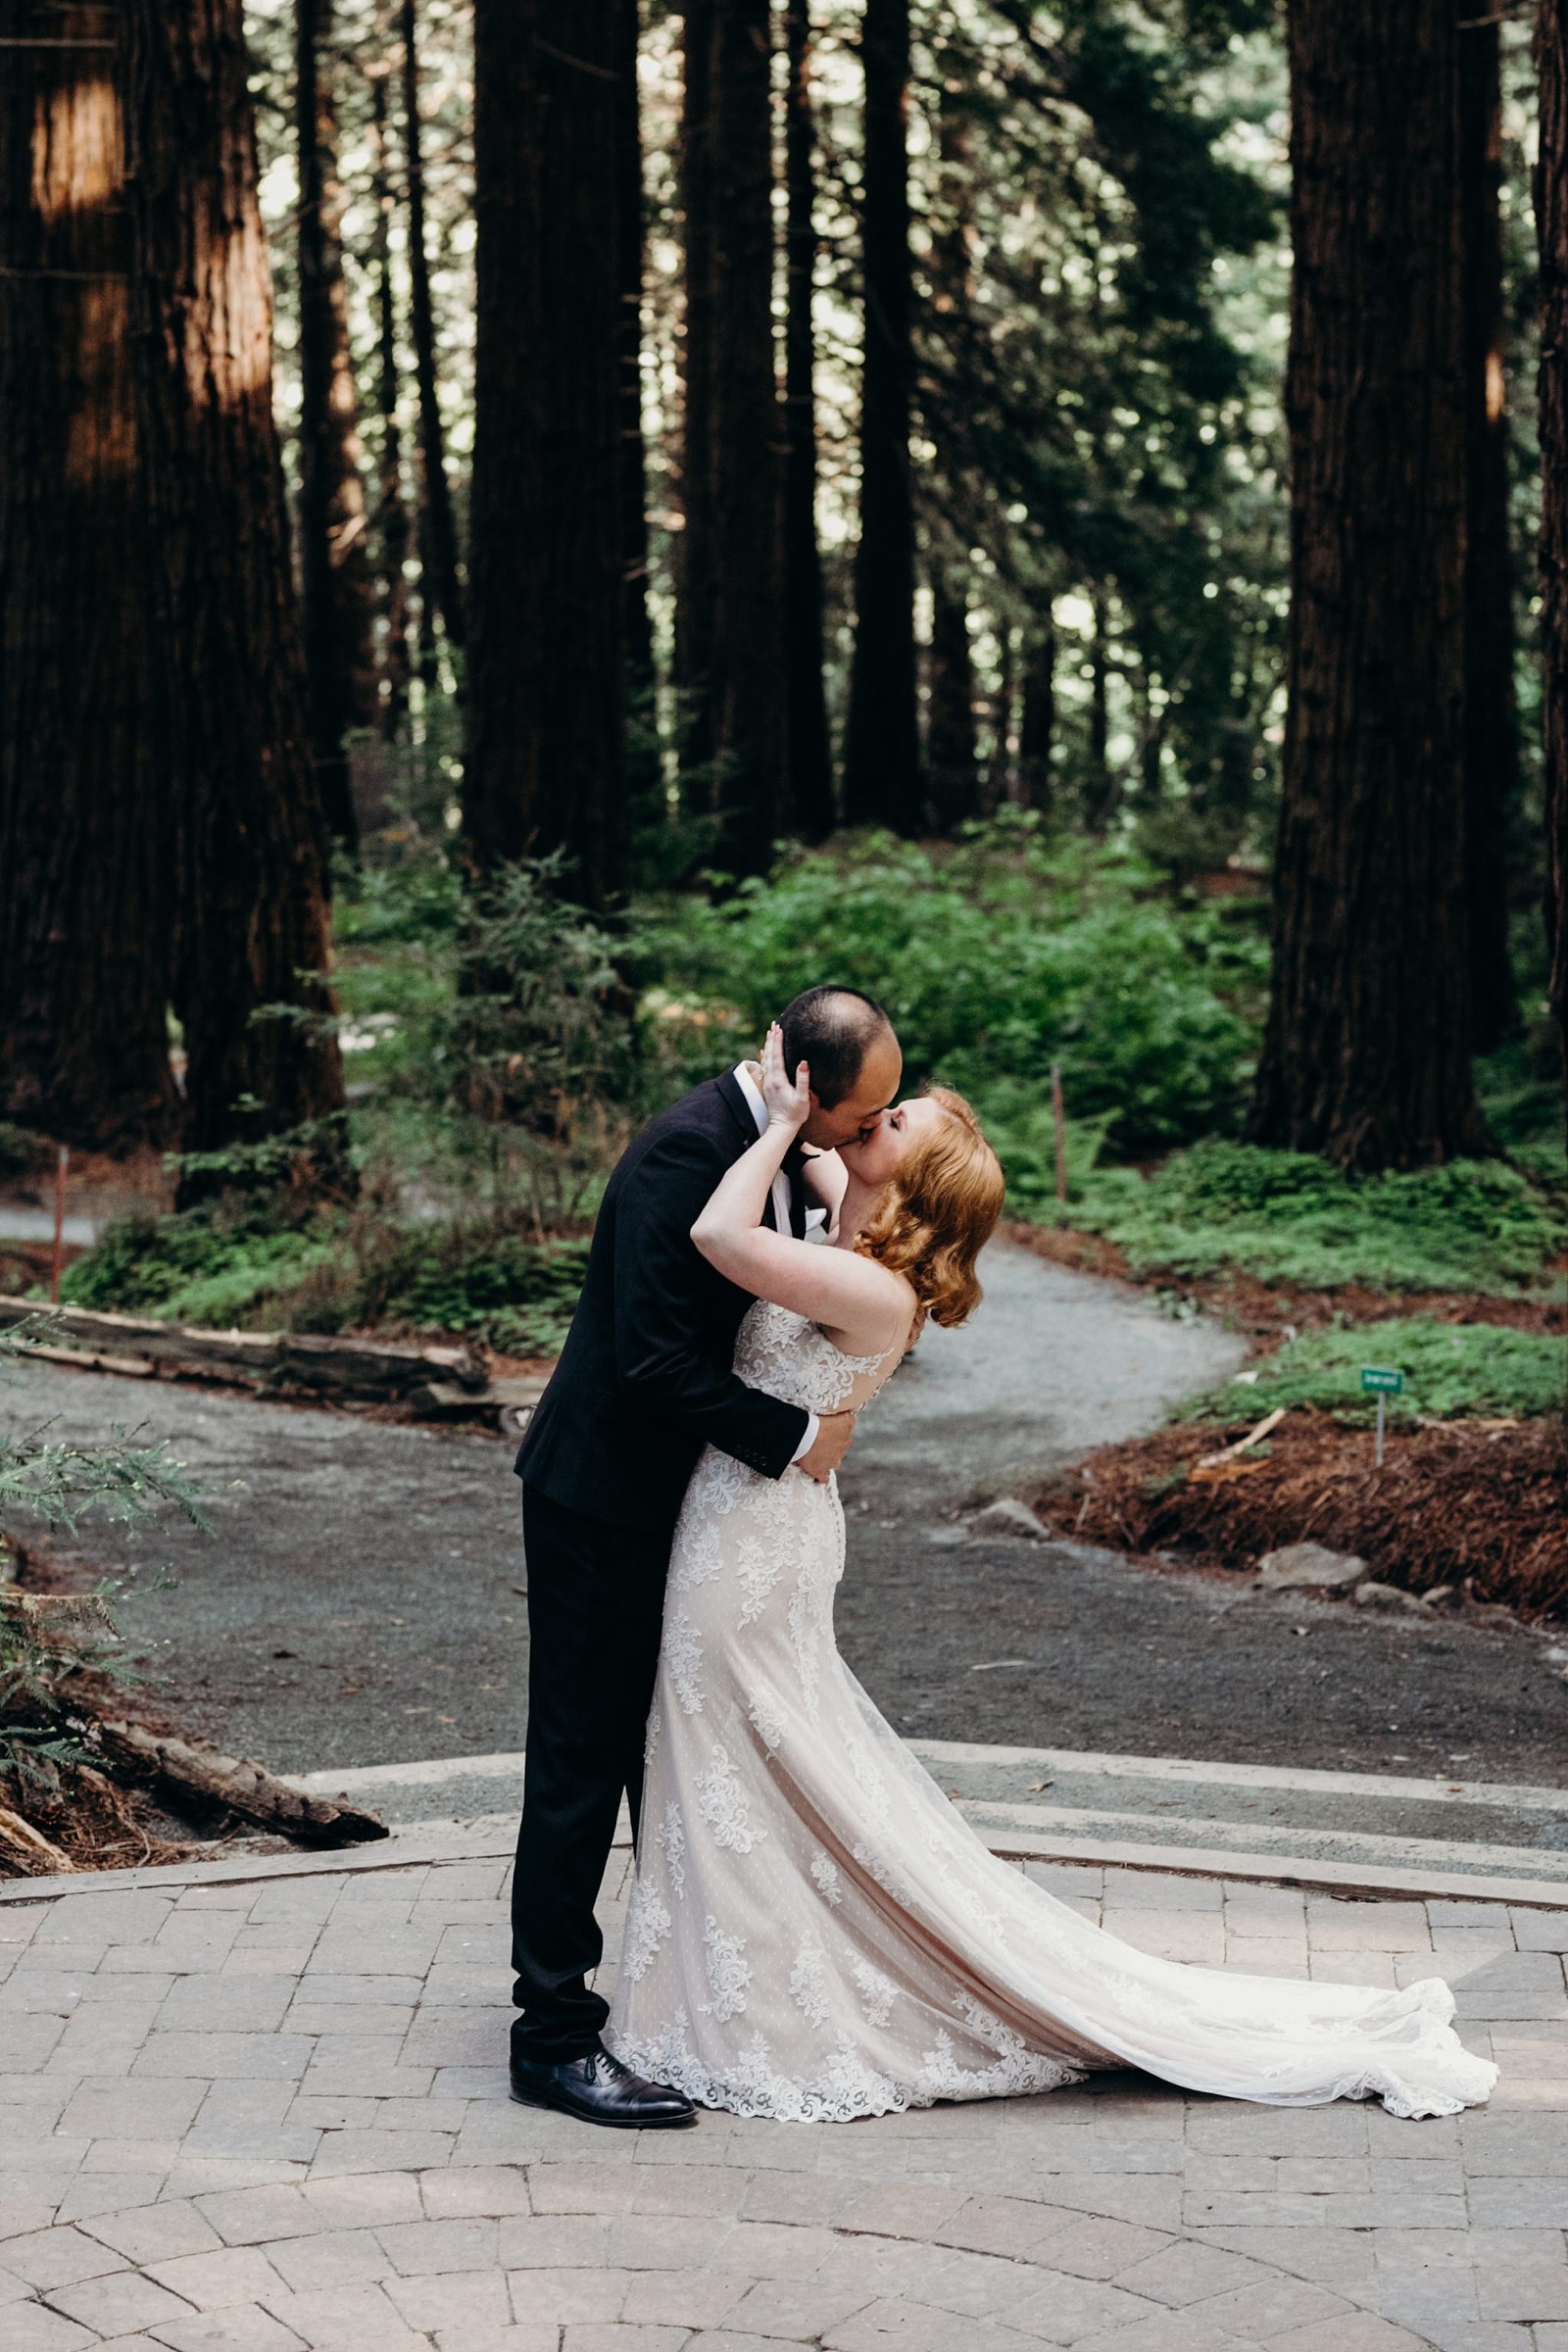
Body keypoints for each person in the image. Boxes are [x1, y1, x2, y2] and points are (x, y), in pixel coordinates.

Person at [605, 1027, 1496, 2125]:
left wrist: (787, 1122)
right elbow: (823, 1159)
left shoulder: (870, 1289)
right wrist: (789, 1097)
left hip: (749, 1549)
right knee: (739, 1761)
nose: (866, 1124)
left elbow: (714, 1228)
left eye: (892, 1124)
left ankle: (759, 2005)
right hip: (750, 1522)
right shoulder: (860, 1229)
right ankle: (722, 1981)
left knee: (735, 1756)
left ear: (909, 1181)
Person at [508, 986, 905, 2128]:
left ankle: (675, 2005)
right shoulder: (689, 1152)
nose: (864, 1128)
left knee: (671, 1758)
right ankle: (552, 2040)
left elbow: (851, 1235)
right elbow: (645, 1362)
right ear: (808, 1087)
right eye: (859, 1110)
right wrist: (798, 1438)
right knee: (580, 1763)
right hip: (601, 1498)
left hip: (679, 1504)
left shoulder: (780, 1142)